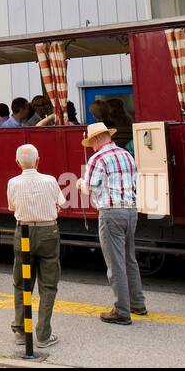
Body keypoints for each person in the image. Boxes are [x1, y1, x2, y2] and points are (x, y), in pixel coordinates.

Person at [77, 122, 146, 324]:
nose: (92, 147)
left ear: (97, 139)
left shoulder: (97, 158)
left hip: (110, 212)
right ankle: (138, 303)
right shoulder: (126, 154)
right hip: (131, 211)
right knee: (129, 259)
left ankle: (122, 311)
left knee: (115, 264)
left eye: (91, 142)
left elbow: (88, 188)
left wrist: (80, 183)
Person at [7, 144, 67, 348]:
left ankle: (21, 332)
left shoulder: (13, 183)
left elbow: (11, 207)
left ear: (17, 163)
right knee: (48, 285)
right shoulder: (50, 180)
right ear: (38, 160)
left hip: (22, 233)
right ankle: (43, 334)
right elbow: (63, 203)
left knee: (21, 282)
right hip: (48, 232)